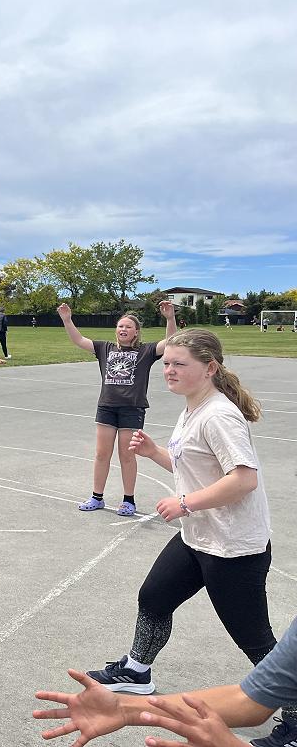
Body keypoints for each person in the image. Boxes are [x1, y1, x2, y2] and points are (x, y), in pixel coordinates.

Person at [79, 329, 284, 744]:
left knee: (256, 641)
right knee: (153, 596)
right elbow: (195, 464)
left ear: (209, 368)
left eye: (179, 364)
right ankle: (137, 671)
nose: (168, 370)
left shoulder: (220, 415)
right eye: (167, 363)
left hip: (232, 547)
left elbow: (243, 480)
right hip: (199, 537)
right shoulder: (194, 406)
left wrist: (185, 503)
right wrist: (156, 453)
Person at [33, 614, 297, 747]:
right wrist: (124, 708)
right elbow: (249, 700)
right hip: (201, 542)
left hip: (236, 550)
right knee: (155, 595)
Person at [59, 301, 176, 517]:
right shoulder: (105, 348)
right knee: (102, 454)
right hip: (107, 407)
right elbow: (78, 340)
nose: (123, 329)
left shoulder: (146, 351)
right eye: (120, 326)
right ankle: (97, 497)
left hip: (132, 409)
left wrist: (169, 318)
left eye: (128, 327)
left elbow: (170, 343)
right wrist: (67, 320)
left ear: (136, 332)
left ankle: (128, 500)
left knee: (127, 456)